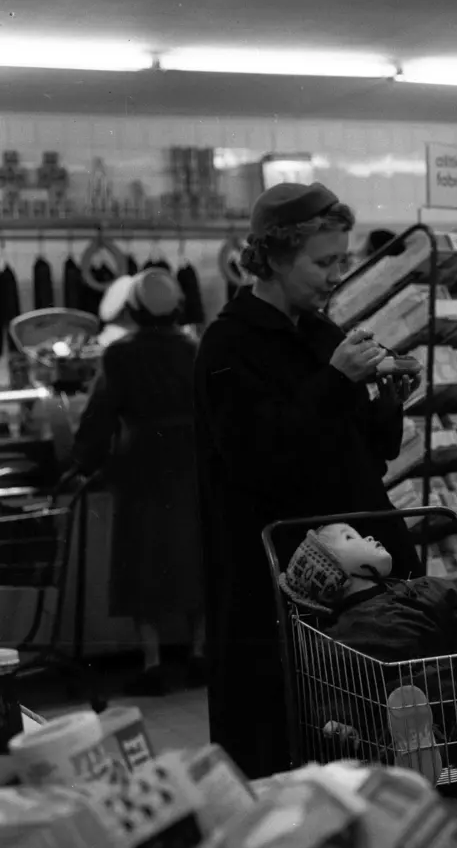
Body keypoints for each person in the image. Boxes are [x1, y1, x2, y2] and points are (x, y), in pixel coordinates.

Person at [194, 182, 422, 779]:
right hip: (278, 589)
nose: (335, 275)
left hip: (351, 584)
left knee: (366, 741)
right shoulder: (228, 346)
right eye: (324, 262)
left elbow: (360, 453)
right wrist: (335, 382)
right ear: (271, 258)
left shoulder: (321, 335)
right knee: (293, 748)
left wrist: (388, 398)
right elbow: (258, 460)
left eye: (341, 261)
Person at [72, 269, 205, 696]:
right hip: (193, 463)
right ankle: (200, 654)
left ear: (132, 308)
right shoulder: (195, 348)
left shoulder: (119, 354)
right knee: (195, 557)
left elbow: (99, 416)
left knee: (142, 562)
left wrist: (84, 461)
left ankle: (152, 663)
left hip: (142, 463)